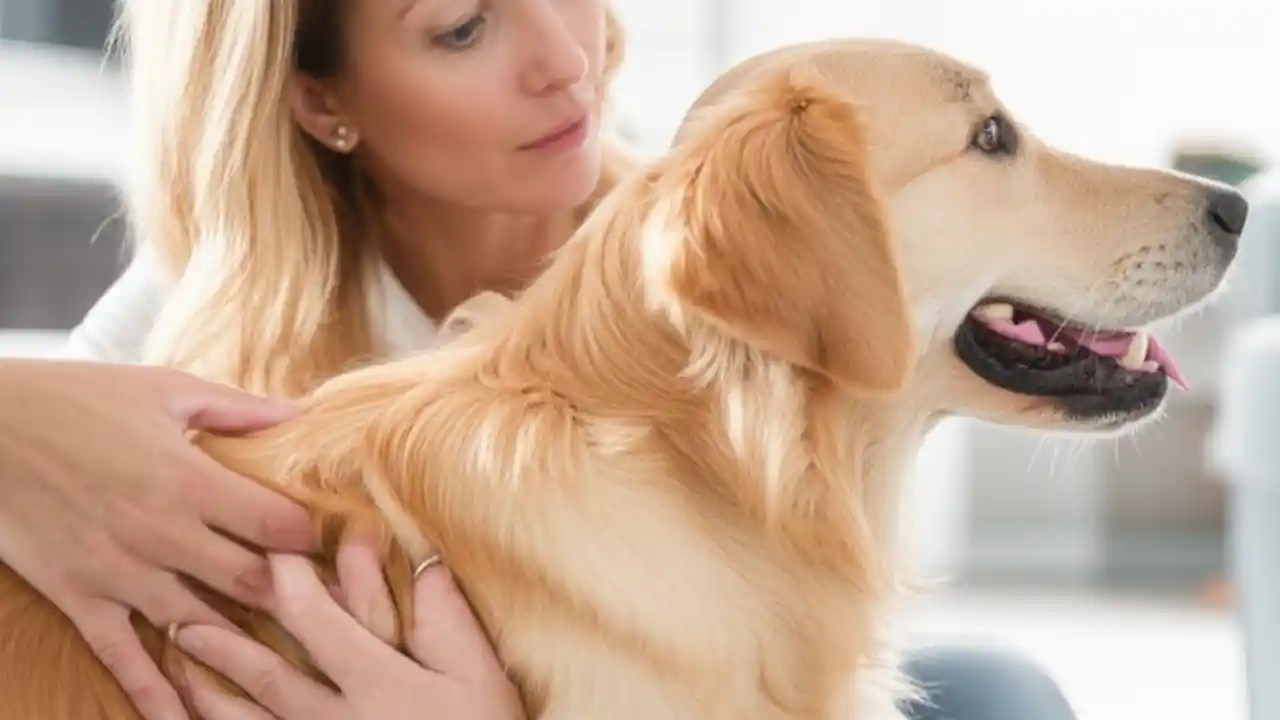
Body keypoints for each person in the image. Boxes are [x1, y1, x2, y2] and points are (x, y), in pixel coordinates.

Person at [0, 1, 1078, 718]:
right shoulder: (201, 307)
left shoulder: (728, 256)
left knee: (994, 697)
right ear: (319, 99)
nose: (567, 60)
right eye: (462, 27)